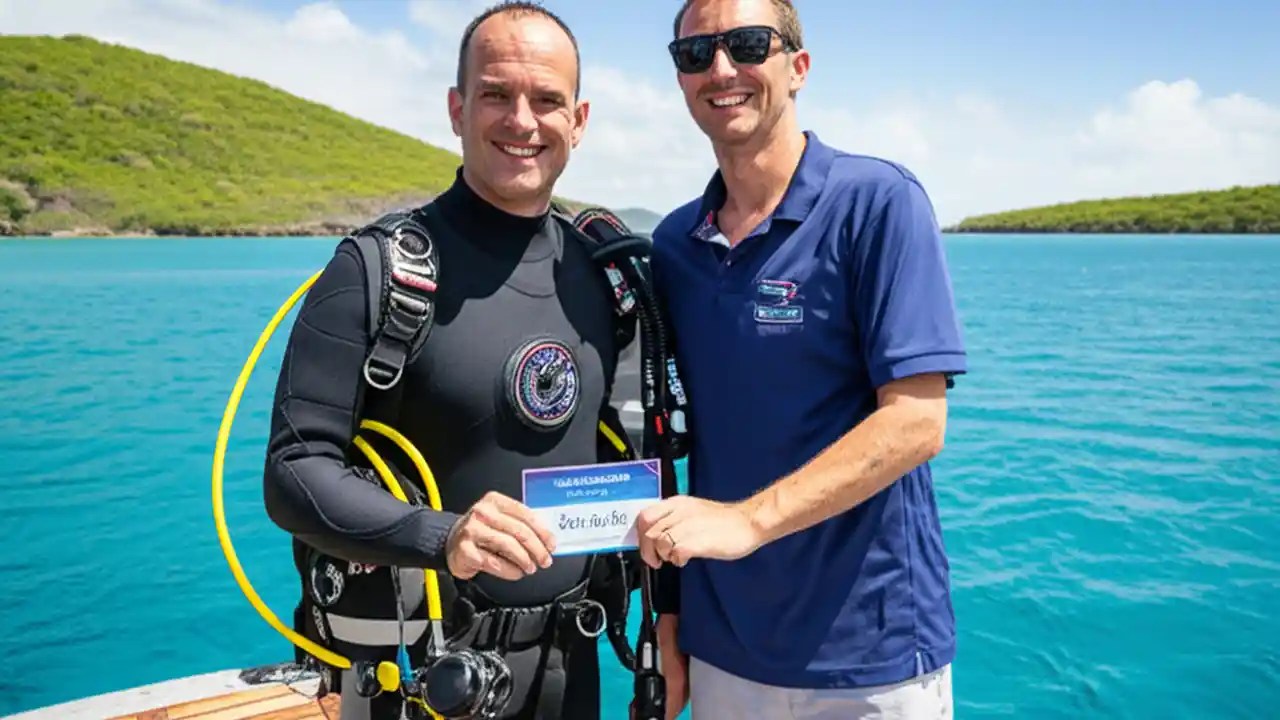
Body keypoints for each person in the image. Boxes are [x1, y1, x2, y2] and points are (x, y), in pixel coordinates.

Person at [260, 3, 640, 719]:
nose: (522, 121)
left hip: (573, 668)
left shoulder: (606, 276)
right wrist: (447, 537)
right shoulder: (375, 271)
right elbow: (293, 474)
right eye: (497, 94)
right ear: (457, 108)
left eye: (547, 100)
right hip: (419, 677)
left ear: (579, 121)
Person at [636, 0, 968, 717]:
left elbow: (917, 422)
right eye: (695, 54)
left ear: (798, 67)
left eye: (748, 44)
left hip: (871, 658)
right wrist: (669, 621)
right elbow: (659, 428)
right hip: (723, 646)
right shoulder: (673, 246)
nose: (720, 68)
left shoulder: (879, 202)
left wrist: (748, 522)